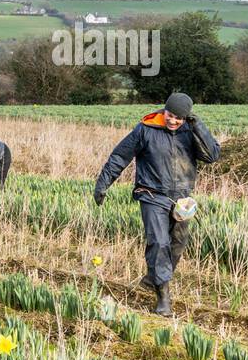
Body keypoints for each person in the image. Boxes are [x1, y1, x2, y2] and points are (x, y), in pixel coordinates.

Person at [93, 92, 220, 317]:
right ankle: (163, 298)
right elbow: (119, 157)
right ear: (164, 111)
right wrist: (103, 184)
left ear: (186, 117)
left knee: (178, 244)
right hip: (151, 195)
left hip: (182, 199)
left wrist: (198, 126)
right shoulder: (145, 129)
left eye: (179, 118)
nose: (173, 121)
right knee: (159, 242)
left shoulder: (190, 131)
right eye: (170, 115)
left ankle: (154, 277)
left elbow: (212, 156)